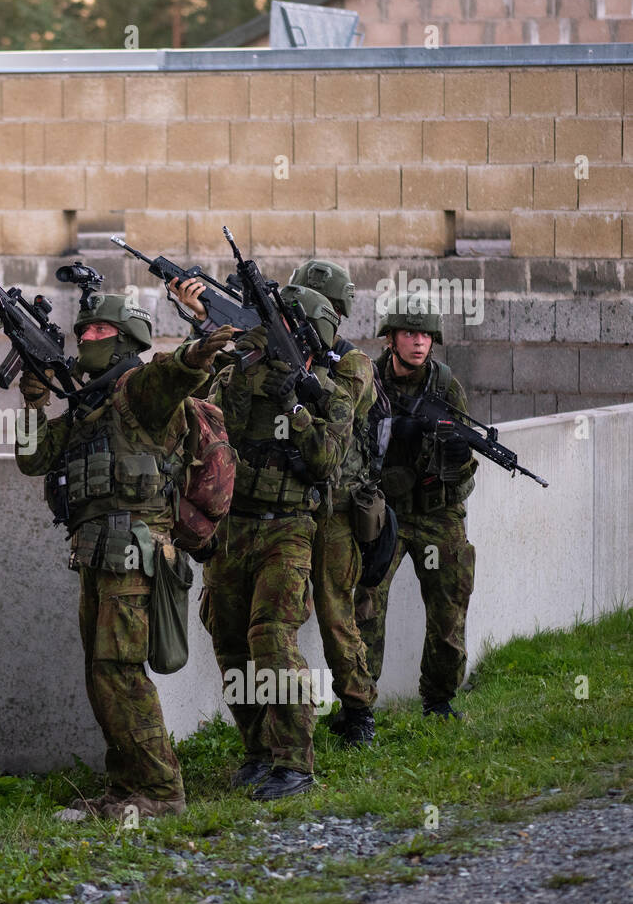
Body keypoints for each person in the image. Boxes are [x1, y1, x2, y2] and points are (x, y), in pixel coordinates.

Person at [15, 289, 236, 820]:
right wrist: (33, 404)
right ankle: (125, 789)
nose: (84, 339)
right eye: (82, 331)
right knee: (102, 671)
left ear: (123, 344)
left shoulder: (139, 393)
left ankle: (161, 792)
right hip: (96, 555)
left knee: (121, 670)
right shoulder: (90, 409)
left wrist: (199, 346)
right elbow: (32, 458)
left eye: (97, 333)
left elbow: (174, 373)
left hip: (134, 555)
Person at [194, 278, 367, 800]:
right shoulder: (238, 375)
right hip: (232, 528)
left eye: (288, 324)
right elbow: (203, 426)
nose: (275, 331)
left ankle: (294, 761)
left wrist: (294, 403)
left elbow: (325, 461)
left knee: (270, 636)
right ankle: (258, 750)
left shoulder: (330, 393)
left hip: (289, 528)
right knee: (228, 641)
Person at [356, 309, 476, 719]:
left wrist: (459, 458)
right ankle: (359, 707)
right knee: (366, 604)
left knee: (450, 604)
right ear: (391, 338)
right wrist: (391, 434)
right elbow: (351, 445)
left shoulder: (445, 385)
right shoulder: (367, 381)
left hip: (437, 511)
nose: (419, 342)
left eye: (426, 335)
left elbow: (463, 461)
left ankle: (439, 700)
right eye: (409, 334)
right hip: (383, 511)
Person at [290, 260, 380, 748]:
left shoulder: (352, 363)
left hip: (337, 507)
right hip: (289, 503)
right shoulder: (284, 355)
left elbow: (341, 412)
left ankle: (359, 710)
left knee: (333, 608)